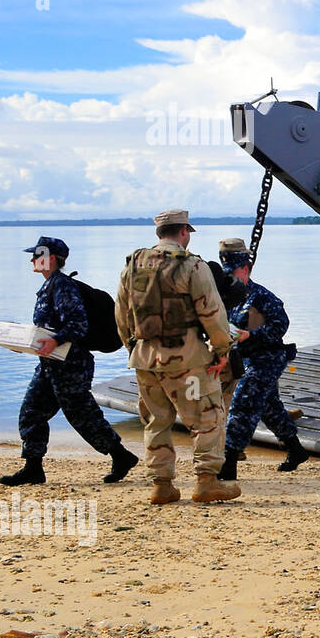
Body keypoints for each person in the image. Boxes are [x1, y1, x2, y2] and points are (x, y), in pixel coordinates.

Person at [115, 210, 241, 504]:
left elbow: (121, 314)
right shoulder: (193, 266)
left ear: (160, 233)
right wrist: (222, 350)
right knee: (206, 417)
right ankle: (207, 482)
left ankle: (162, 486)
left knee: (156, 421)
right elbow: (212, 313)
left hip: (145, 359)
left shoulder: (132, 265)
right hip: (187, 359)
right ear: (184, 231)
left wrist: (133, 348)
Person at [0, 237, 140, 487]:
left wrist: (55, 341)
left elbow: (77, 325)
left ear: (51, 258)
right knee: (31, 412)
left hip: (71, 365)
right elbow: (49, 328)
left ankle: (121, 455)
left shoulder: (63, 287)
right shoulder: (49, 286)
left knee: (82, 415)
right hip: (50, 364)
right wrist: (25, 344)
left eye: (37, 255)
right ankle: (33, 467)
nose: (32, 259)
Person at [216, 239, 308, 481]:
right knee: (268, 407)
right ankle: (296, 449)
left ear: (245, 269)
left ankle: (229, 461)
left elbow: (281, 325)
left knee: (244, 400)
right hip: (245, 357)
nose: (230, 277)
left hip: (268, 357)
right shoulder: (227, 296)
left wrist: (251, 335)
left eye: (234, 272)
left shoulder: (262, 296)